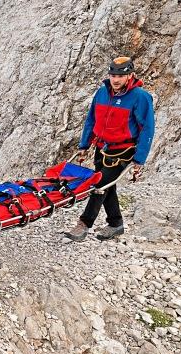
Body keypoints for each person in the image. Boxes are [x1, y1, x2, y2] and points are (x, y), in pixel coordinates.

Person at [66, 55, 155, 241]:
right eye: (113, 75)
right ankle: (116, 223)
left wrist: (139, 159)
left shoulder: (140, 97)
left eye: (120, 76)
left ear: (130, 76)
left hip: (123, 151)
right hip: (101, 147)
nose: (115, 79)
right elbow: (91, 119)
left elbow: (148, 128)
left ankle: (83, 225)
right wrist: (84, 144)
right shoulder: (102, 93)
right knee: (108, 186)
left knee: (100, 185)